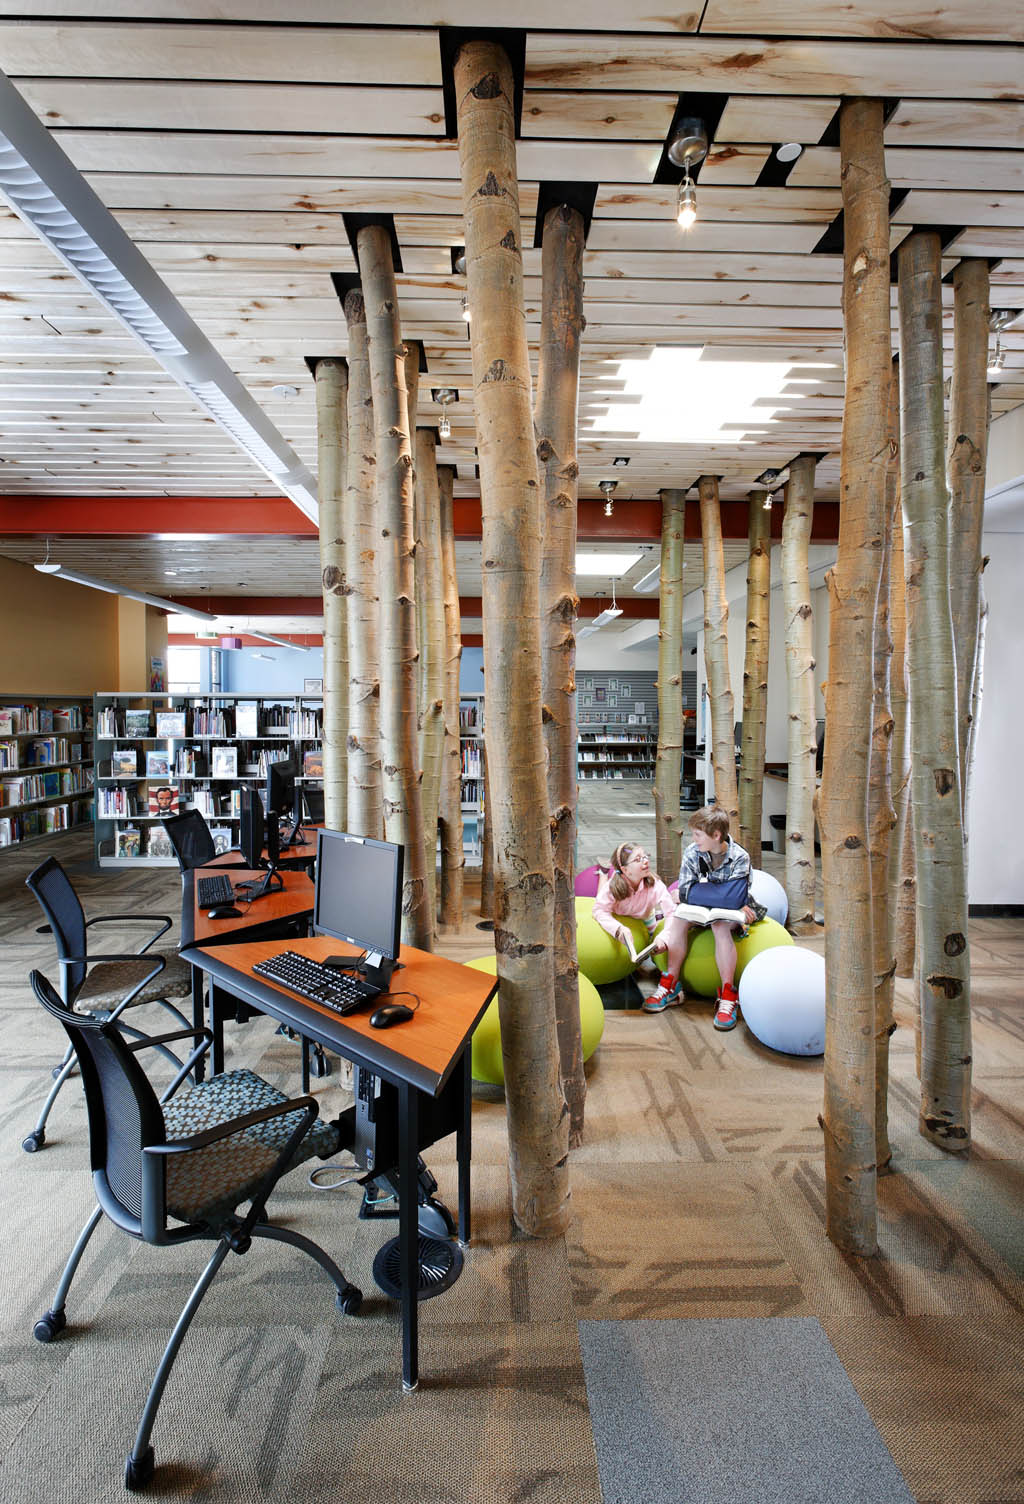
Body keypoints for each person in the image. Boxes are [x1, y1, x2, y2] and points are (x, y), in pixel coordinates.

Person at [644, 805, 765, 1029]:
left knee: (720, 926)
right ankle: (670, 985)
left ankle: (728, 994)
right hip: (702, 910)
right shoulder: (692, 852)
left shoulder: (740, 857)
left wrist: (696, 893)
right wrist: (714, 894)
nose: (694, 839)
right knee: (680, 918)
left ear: (716, 835)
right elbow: (686, 891)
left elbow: (733, 900)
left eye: (698, 834)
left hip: (732, 912)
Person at [591, 842, 675, 967]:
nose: (645, 861)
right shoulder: (612, 888)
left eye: (645, 856)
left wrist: (665, 937)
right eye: (638, 859)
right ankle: (604, 873)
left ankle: (657, 918)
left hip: (645, 918)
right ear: (625, 870)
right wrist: (617, 928)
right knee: (598, 897)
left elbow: (672, 912)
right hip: (619, 916)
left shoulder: (655, 884)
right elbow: (599, 910)